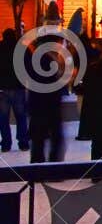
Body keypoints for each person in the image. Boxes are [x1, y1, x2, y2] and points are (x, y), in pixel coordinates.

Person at [23, 34, 71, 163]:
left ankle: (39, 168)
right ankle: (50, 169)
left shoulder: (39, 58)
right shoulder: (47, 60)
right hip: (47, 105)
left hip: (39, 104)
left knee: (40, 140)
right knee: (53, 139)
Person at [0, 27, 29, 152]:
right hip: (18, 87)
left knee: (3, 117)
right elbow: (29, 65)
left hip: (2, 88)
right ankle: (23, 142)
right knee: (21, 116)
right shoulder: (21, 48)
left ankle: (6, 143)